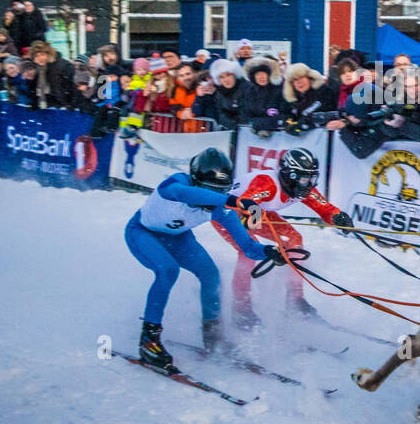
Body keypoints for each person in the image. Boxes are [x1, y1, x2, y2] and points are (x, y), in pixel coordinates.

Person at [125, 147, 282, 366]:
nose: (214, 199)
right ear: (197, 181)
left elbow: (246, 246)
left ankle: (213, 337)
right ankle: (149, 339)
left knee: (211, 275)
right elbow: (183, 194)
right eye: (211, 190)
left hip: (178, 238)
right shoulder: (177, 183)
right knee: (168, 270)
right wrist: (230, 199)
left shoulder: (221, 207)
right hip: (143, 233)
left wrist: (268, 252)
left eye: (221, 190)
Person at [214, 147, 352, 324]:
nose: (309, 184)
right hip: (228, 212)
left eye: (313, 178)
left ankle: (295, 299)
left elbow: (323, 207)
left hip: (259, 210)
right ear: (290, 176)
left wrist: (338, 217)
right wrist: (252, 224)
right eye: (304, 179)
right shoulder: (267, 183)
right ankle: (241, 308)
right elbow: (248, 201)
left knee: (293, 239)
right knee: (249, 250)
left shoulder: (303, 188)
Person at [193, 58, 248, 130]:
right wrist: (200, 98)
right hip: (230, 130)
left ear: (234, 74)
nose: (226, 79)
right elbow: (219, 114)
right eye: (221, 77)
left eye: (228, 75)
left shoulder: (246, 88)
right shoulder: (219, 93)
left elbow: (246, 113)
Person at [241, 56, 283, 130]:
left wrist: (263, 124)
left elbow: (285, 113)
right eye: (258, 74)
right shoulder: (250, 91)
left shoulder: (279, 90)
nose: (261, 77)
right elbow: (246, 114)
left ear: (269, 75)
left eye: (263, 73)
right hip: (253, 133)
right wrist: (254, 123)